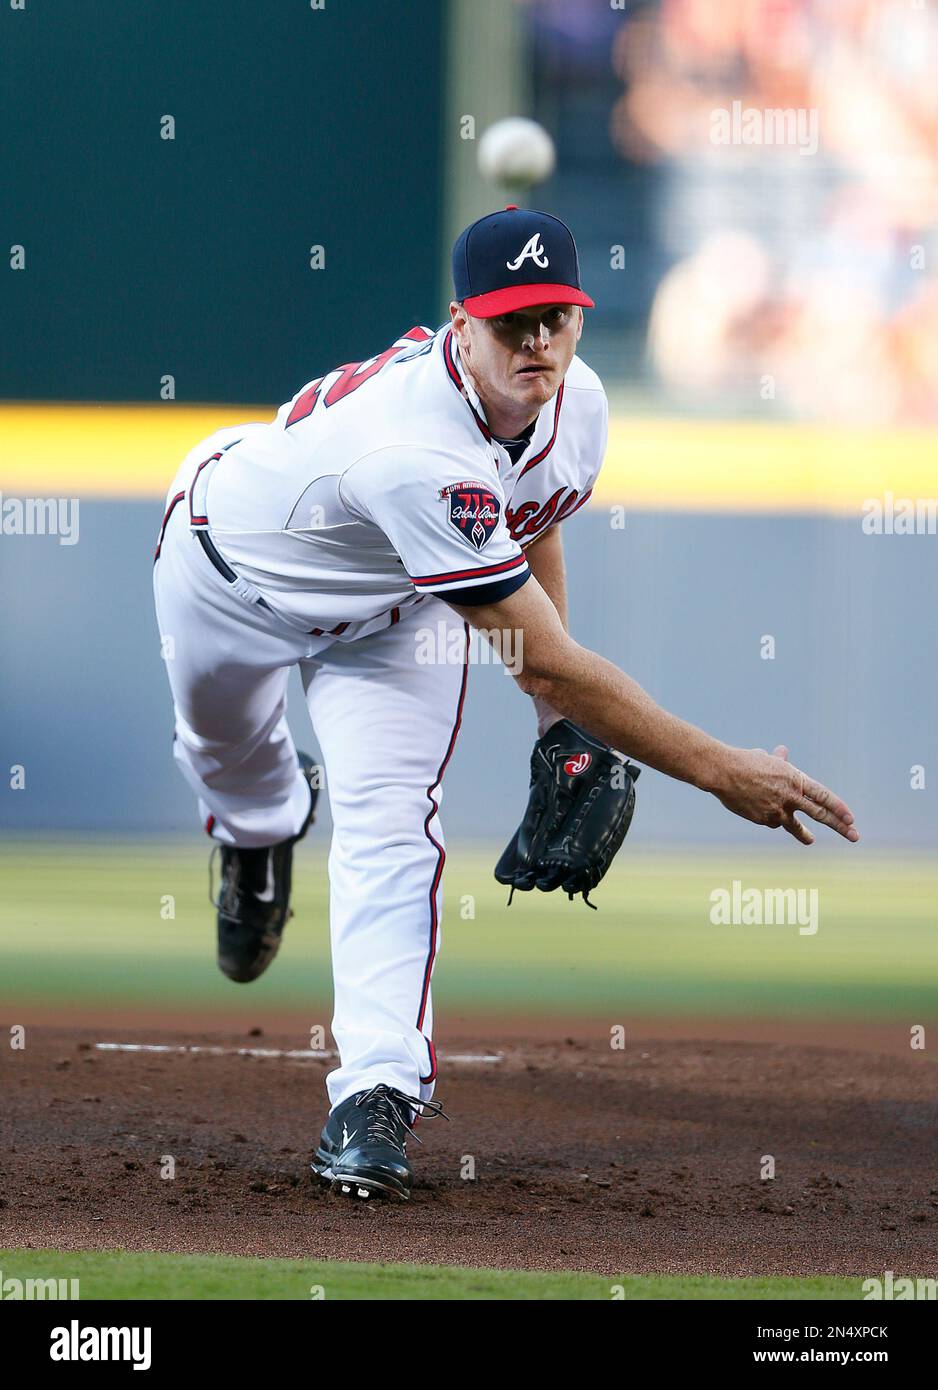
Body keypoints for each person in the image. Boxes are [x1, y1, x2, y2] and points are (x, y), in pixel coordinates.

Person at [153, 206, 858, 1200]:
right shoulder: (416, 448)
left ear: (578, 318)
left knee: (391, 823)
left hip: (395, 609)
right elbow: (550, 659)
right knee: (231, 762)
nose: (535, 341)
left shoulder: (580, 407)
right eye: (509, 320)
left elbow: (530, 527)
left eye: (553, 318)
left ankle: (374, 1097)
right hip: (227, 573)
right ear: (459, 324)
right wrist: (714, 768)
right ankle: (259, 827)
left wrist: (554, 729)